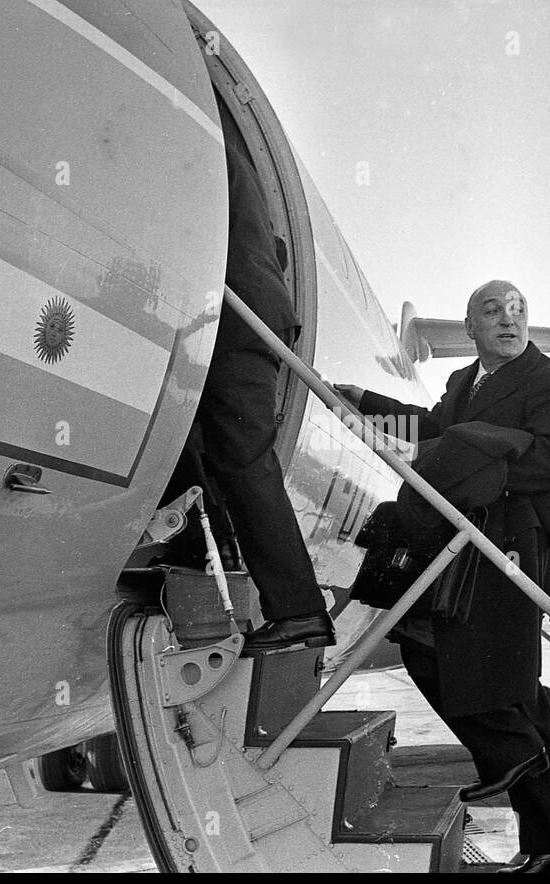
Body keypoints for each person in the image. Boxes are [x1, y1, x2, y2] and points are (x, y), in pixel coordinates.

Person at [337, 279, 550, 873]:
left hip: (511, 549)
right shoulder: (462, 383)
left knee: (510, 689)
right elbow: (429, 427)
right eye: (492, 311)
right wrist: (359, 398)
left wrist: (469, 447)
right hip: (465, 546)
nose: (510, 319)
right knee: (428, 645)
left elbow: (547, 462)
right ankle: (529, 791)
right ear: (471, 328)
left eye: (519, 310)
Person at [195, 144, 333, 653]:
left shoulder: (200, 137)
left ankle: (299, 612)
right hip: (253, 309)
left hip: (241, 315)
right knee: (224, 447)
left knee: (244, 457)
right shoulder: (229, 159)